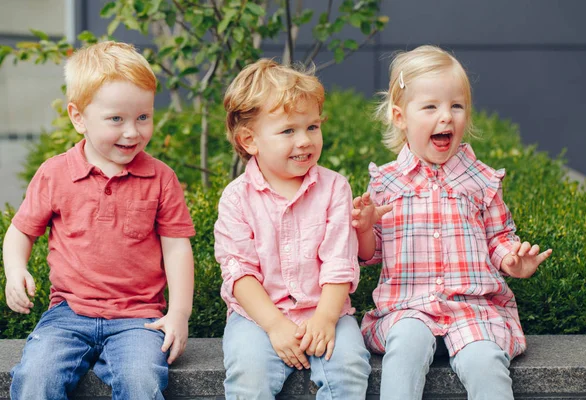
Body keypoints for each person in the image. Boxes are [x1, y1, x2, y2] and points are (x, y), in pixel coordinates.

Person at [351, 45, 552, 400]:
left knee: (485, 361)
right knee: (406, 349)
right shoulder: (386, 182)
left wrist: (511, 260)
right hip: (409, 307)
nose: (446, 116)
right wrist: (365, 229)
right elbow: (372, 253)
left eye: (456, 106)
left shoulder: (481, 180)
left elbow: (498, 237)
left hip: (473, 308)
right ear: (400, 117)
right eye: (430, 106)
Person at [2, 41, 195, 399]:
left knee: (142, 381)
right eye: (116, 119)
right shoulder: (56, 174)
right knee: (35, 378)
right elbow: (20, 231)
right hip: (68, 315)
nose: (132, 132)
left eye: (143, 117)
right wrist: (15, 270)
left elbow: (177, 248)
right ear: (79, 118)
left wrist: (179, 312)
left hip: (139, 318)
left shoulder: (160, 178)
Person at [214, 58, 371, 399]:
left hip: (325, 309)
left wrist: (327, 318)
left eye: (312, 127)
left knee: (348, 366)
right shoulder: (236, 199)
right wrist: (274, 325)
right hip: (257, 317)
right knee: (248, 370)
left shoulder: (334, 188)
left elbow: (339, 262)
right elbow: (239, 273)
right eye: (288, 130)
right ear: (249, 140)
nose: (305, 140)